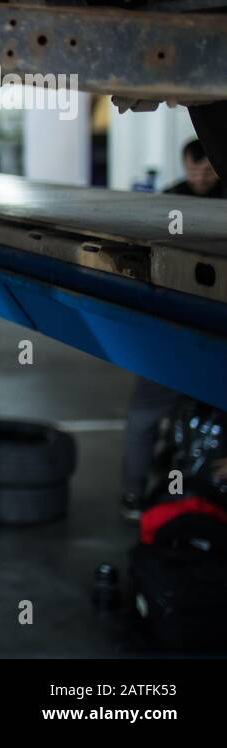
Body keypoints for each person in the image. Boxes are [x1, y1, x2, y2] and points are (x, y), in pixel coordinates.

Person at [121, 138, 223, 520]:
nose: (200, 178)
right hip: (172, 329)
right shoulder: (165, 204)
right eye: (194, 170)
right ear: (184, 166)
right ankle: (132, 494)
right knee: (143, 418)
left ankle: (204, 495)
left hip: (210, 328)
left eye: (208, 170)